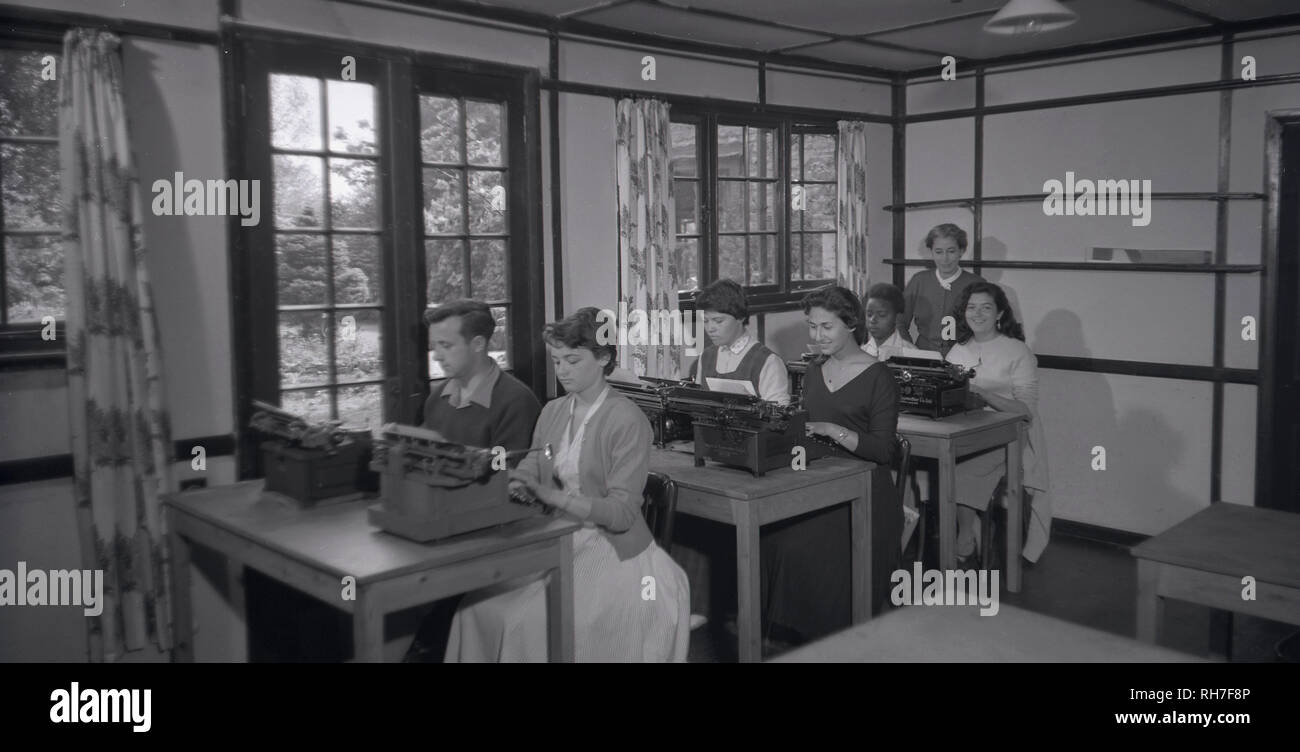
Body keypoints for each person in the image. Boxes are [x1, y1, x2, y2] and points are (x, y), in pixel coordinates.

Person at [445, 308, 691, 662]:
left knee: (520, 621)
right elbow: (531, 467)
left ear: (604, 358)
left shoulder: (628, 419)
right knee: (473, 608)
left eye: (573, 361)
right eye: (558, 361)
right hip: (561, 538)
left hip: (616, 551)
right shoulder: (553, 411)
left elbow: (621, 514)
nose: (562, 371)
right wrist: (509, 481)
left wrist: (553, 496)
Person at [759, 285, 901, 645]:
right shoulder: (813, 371)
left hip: (865, 494)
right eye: (812, 326)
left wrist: (832, 430)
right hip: (821, 483)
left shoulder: (879, 376)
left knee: (805, 545)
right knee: (773, 537)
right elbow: (803, 434)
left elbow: (883, 450)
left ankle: (835, 641)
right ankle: (804, 640)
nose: (817, 336)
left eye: (826, 327)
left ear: (850, 324)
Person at [403, 299, 544, 662]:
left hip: (491, 540)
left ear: (479, 344)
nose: (436, 355)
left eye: (446, 345)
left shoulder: (516, 401)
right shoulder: (439, 397)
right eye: (434, 345)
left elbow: (515, 492)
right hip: (443, 528)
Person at [944, 282, 1052, 564]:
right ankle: (970, 526)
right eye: (971, 307)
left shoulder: (1017, 351)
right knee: (927, 465)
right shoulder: (957, 349)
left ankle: (965, 534)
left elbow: (1026, 410)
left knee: (960, 468)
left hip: (1010, 436)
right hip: (965, 431)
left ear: (1000, 312)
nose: (977, 314)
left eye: (986, 307)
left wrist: (982, 393)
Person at [692, 278, 790, 405]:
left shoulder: (767, 361)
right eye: (705, 321)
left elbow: (779, 416)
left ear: (740, 317)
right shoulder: (706, 356)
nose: (710, 328)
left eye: (719, 321)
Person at [897, 224, 982, 352]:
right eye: (938, 252)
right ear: (931, 252)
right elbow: (899, 321)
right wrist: (908, 346)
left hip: (966, 357)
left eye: (951, 251)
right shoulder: (919, 280)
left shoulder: (976, 284)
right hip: (925, 356)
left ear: (961, 251)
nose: (945, 258)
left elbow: (987, 327)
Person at [861, 282, 913, 360]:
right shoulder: (860, 353)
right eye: (869, 314)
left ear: (896, 317)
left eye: (881, 314)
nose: (873, 320)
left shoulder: (911, 354)